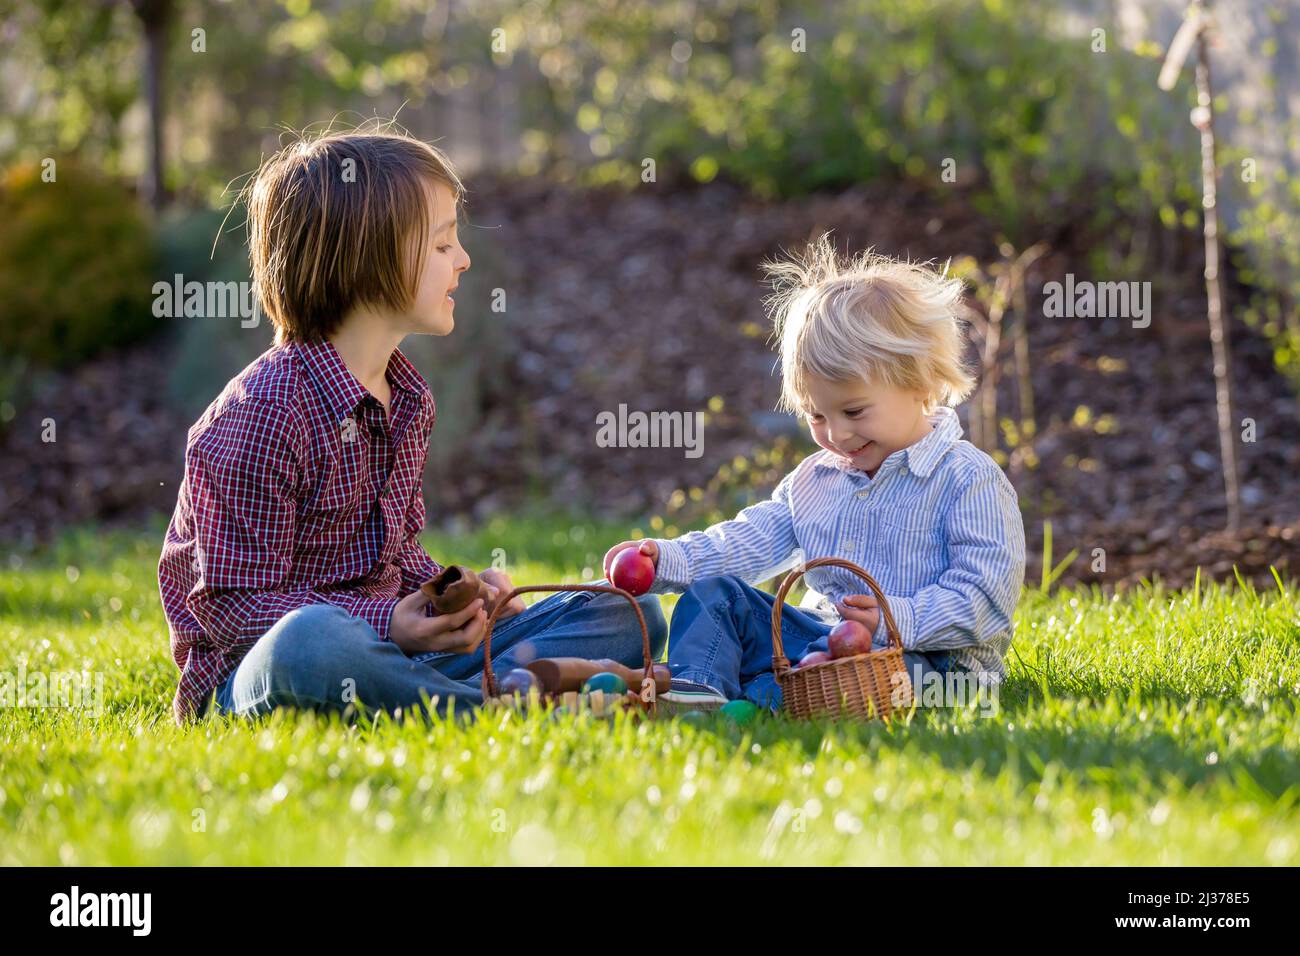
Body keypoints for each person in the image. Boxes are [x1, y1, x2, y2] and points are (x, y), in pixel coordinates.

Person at [158, 127, 665, 726]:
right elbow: (232, 610)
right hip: (262, 675)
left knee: (630, 614)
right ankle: (493, 707)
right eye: (443, 244)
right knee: (314, 640)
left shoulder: (407, 397)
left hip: (394, 657)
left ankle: (466, 691)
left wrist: (461, 600)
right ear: (367, 257)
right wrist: (382, 623)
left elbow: (391, 558)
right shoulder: (260, 415)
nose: (464, 259)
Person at [603, 235, 1025, 712]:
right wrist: (670, 560)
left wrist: (892, 620)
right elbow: (747, 541)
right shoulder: (816, 480)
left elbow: (985, 597)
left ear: (920, 382)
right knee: (718, 595)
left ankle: (766, 696)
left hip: (930, 660)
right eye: (817, 416)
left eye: (854, 411)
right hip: (820, 642)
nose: (838, 435)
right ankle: (696, 691)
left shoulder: (968, 479)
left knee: (848, 678)